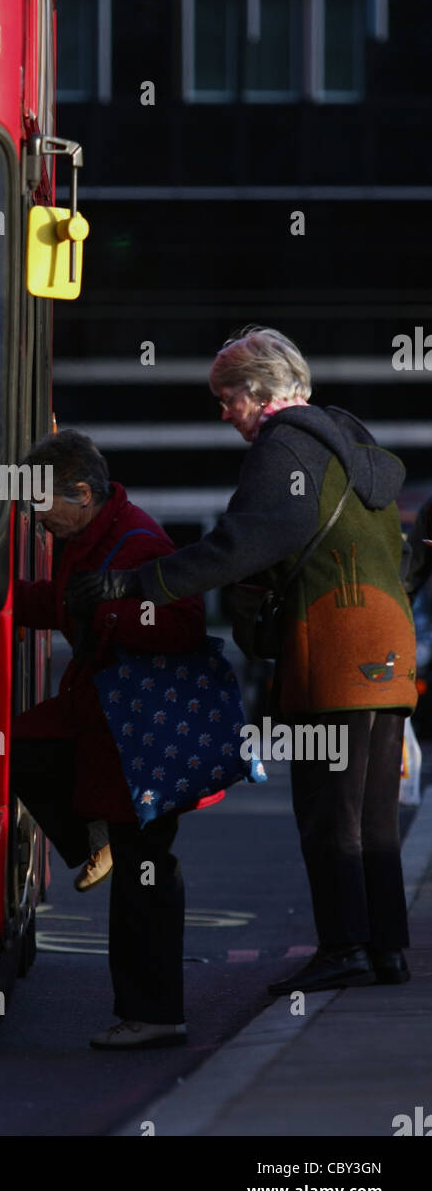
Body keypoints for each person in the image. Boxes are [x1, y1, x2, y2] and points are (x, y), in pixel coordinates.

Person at [68, 327, 416, 994]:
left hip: (333, 644)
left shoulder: (283, 446)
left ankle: (344, 947)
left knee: (326, 809)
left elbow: (246, 542)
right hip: (387, 640)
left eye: (226, 398)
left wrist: (132, 583)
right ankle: (385, 949)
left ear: (258, 394)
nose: (223, 413)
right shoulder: (348, 438)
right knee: (372, 814)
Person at [11, 430, 207, 1049]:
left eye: (43, 504)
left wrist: (111, 607)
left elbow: (184, 625)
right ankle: (97, 841)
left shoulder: (138, 541)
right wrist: (2, 598)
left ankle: (153, 1014)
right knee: (15, 747)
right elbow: (68, 606)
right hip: (105, 720)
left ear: (82, 493)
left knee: (146, 877)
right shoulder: (92, 533)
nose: (37, 518)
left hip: (142, 734)